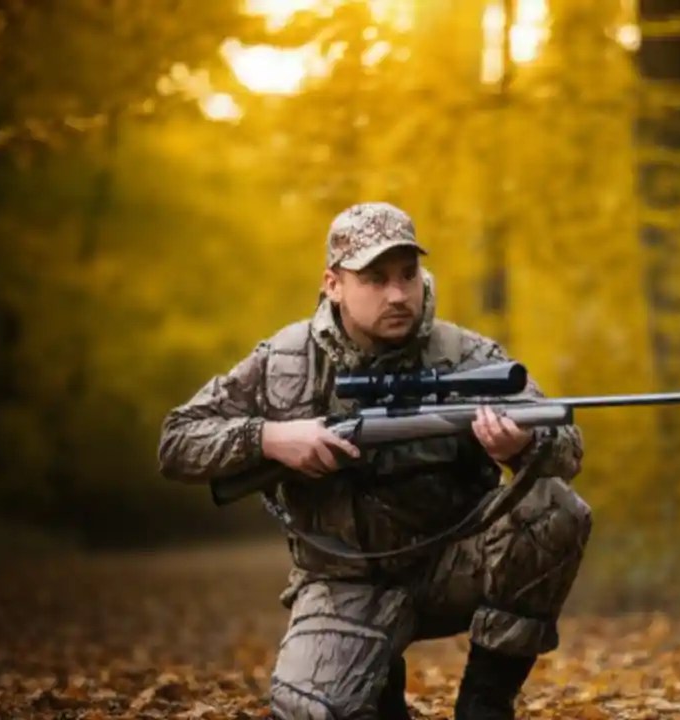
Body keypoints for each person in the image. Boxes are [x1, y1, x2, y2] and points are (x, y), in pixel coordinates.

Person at [157, 202, 592, 720]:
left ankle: (486, 700)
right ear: (333, 283)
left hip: (453, 564)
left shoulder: (466, 355)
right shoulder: (284, 360)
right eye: (375, 278)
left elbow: (567, 445)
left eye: (408, 275)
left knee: (554, 507)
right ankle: (378, 675)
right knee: (311, 713)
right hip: (346, 582)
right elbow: (177, 442)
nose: (398, 294)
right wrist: (270, 438)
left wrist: (520, 448)